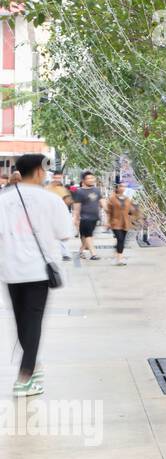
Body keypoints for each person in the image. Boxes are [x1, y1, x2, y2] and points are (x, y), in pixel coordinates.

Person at [1, 153, 76, 396]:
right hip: (38, 272)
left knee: (23, 322)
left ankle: (33, 366)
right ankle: (25, 377)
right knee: (32, 323)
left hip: (10, 270)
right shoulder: (51, 200)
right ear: (40, 172)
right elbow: (65, 233)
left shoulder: (3, 200)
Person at [70, 170, 103, 260]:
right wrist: (75, 219)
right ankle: (93, 254)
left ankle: (80, 253)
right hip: (84, 218)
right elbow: (76, 207)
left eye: (92, 178)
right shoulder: (79, 192)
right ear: (83, 181)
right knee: (89, 236)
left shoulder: (97, 190)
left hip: (95, 218)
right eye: (88, 178)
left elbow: (102, 202)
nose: (91, 180)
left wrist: (109, 212)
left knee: (84, 238)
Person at [105, 183, 139, 266]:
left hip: (125, 223)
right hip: (115, 222)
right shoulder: (112, 198)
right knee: (120, 239)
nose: (123, 188)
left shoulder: (127, 199)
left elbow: (132, 211)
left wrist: (134, 215)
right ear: (117, 187)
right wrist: (107, 222)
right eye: (121, 186)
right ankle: (120, 260)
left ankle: (116, 256)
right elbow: (109, 211)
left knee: (122, 241)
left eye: (124, 186)